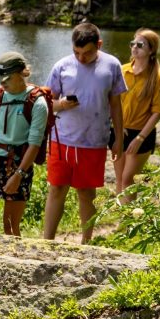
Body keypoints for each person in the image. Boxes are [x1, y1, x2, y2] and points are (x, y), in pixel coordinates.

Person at [42, 22, 125, 243]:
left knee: (86, 193)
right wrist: (61, 104)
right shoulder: (62, 66)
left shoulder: (112, 65)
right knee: (57, 189)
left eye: (87, 53)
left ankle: (86, 243)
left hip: (94, 141)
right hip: (62, 139)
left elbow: (116, 104)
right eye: (76, 52)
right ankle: (47, 241)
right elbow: (46, 102)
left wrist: (118, 138)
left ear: (99, 44)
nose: (81, 58)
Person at [0, 51, 48, 237]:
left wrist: (19, 175)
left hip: (19, 165)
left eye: (7, 78)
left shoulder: (37, 103)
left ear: (23, 73)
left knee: (10, 226)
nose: (2, 83)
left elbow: (34, 144)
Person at [114, 28, 160, 196]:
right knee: (119, 179)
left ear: (151, 50)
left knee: (128, 179)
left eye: (140, 45)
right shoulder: (122, 71)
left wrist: (140, 138)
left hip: (141, 134)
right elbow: (112, 101)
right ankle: (121, 218)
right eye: (133, 44)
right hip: (118, 131)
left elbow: (158, 111)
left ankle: (128, 221)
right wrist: (115, 126)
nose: (134, 48)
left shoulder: (158, 76)